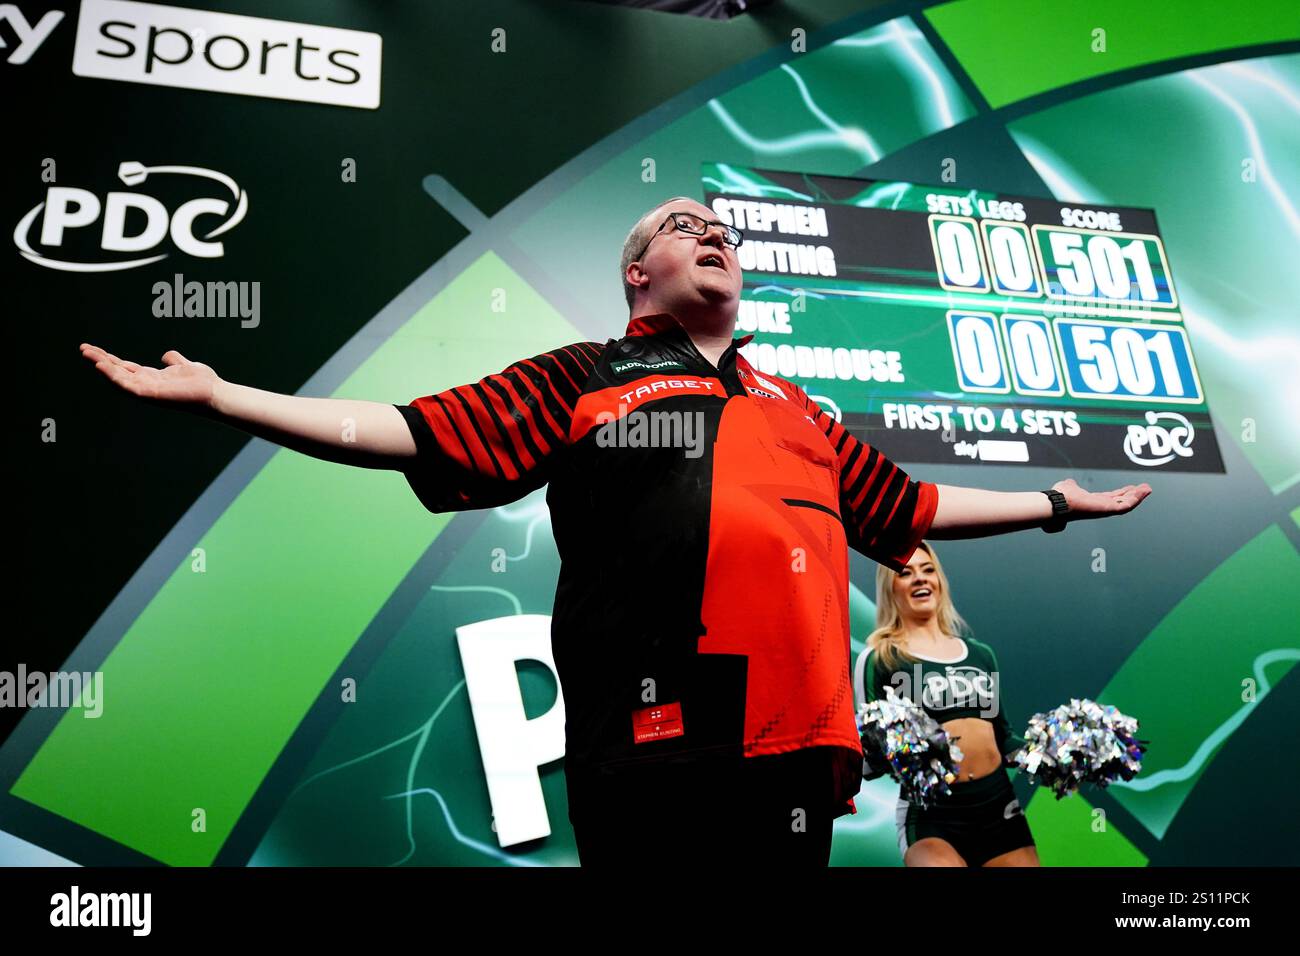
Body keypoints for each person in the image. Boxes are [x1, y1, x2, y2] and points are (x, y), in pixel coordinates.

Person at [78, 195, 1150, 866]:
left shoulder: (801, 408)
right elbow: (408, 430)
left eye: (722, 229)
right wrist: (228, 398)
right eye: (684, 230)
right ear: (637, 275)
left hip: (794, 748)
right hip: (654, 738)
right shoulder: (588, 375)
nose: (713, 235)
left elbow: (910, 511)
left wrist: (1057, 504)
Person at [854, 540, 1038, 867]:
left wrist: (1052, 756)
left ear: (939, 581)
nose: (921, 579)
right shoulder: (881, 658)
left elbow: (1003, 738)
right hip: (931, 814)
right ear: (890, 588)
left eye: (928, 570)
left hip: (999, 807)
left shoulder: (980, 654)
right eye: (905, 573)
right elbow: (868, 754)